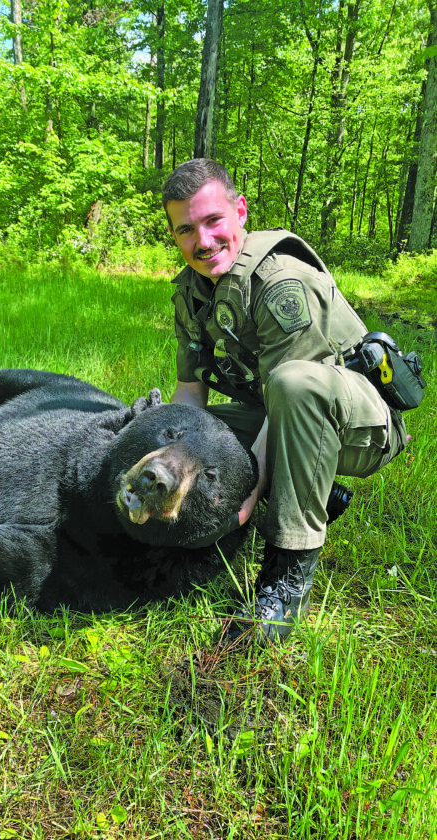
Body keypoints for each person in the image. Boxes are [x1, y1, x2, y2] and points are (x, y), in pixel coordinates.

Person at [163, 158, 410, 644]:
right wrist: (171, 455)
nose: (203, 241)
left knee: (294, 384)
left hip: (362, 426)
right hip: (284, 415)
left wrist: (248, 497)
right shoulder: (193, 292)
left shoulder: (280, 282)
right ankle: (308, 489)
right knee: (173, 428)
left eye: (213, 221)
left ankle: (287, 580)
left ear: (240, 211)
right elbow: (190, 393)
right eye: (186, 230)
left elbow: (292, 396)